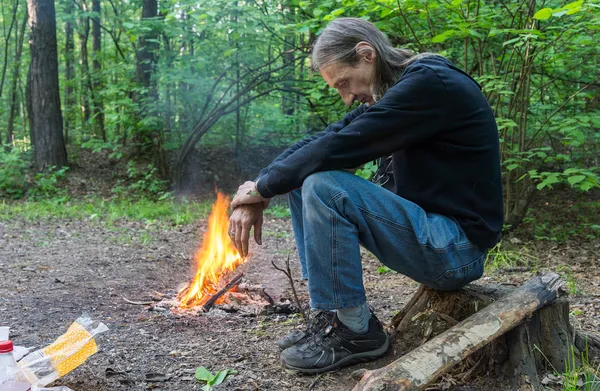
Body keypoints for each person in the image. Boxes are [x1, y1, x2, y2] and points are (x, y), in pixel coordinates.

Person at [228, 17, 503, 374]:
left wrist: (262, 190)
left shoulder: (430, 85)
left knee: (323, 185)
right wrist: (260, 186)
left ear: (366, 54)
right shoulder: (397, 91)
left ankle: (356, 331)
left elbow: (339, 147)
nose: (346, 97)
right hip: (431, 235)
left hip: (456, 248)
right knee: (301, 179)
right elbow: (321, 141)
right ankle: (331, 317)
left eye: (344, 82)